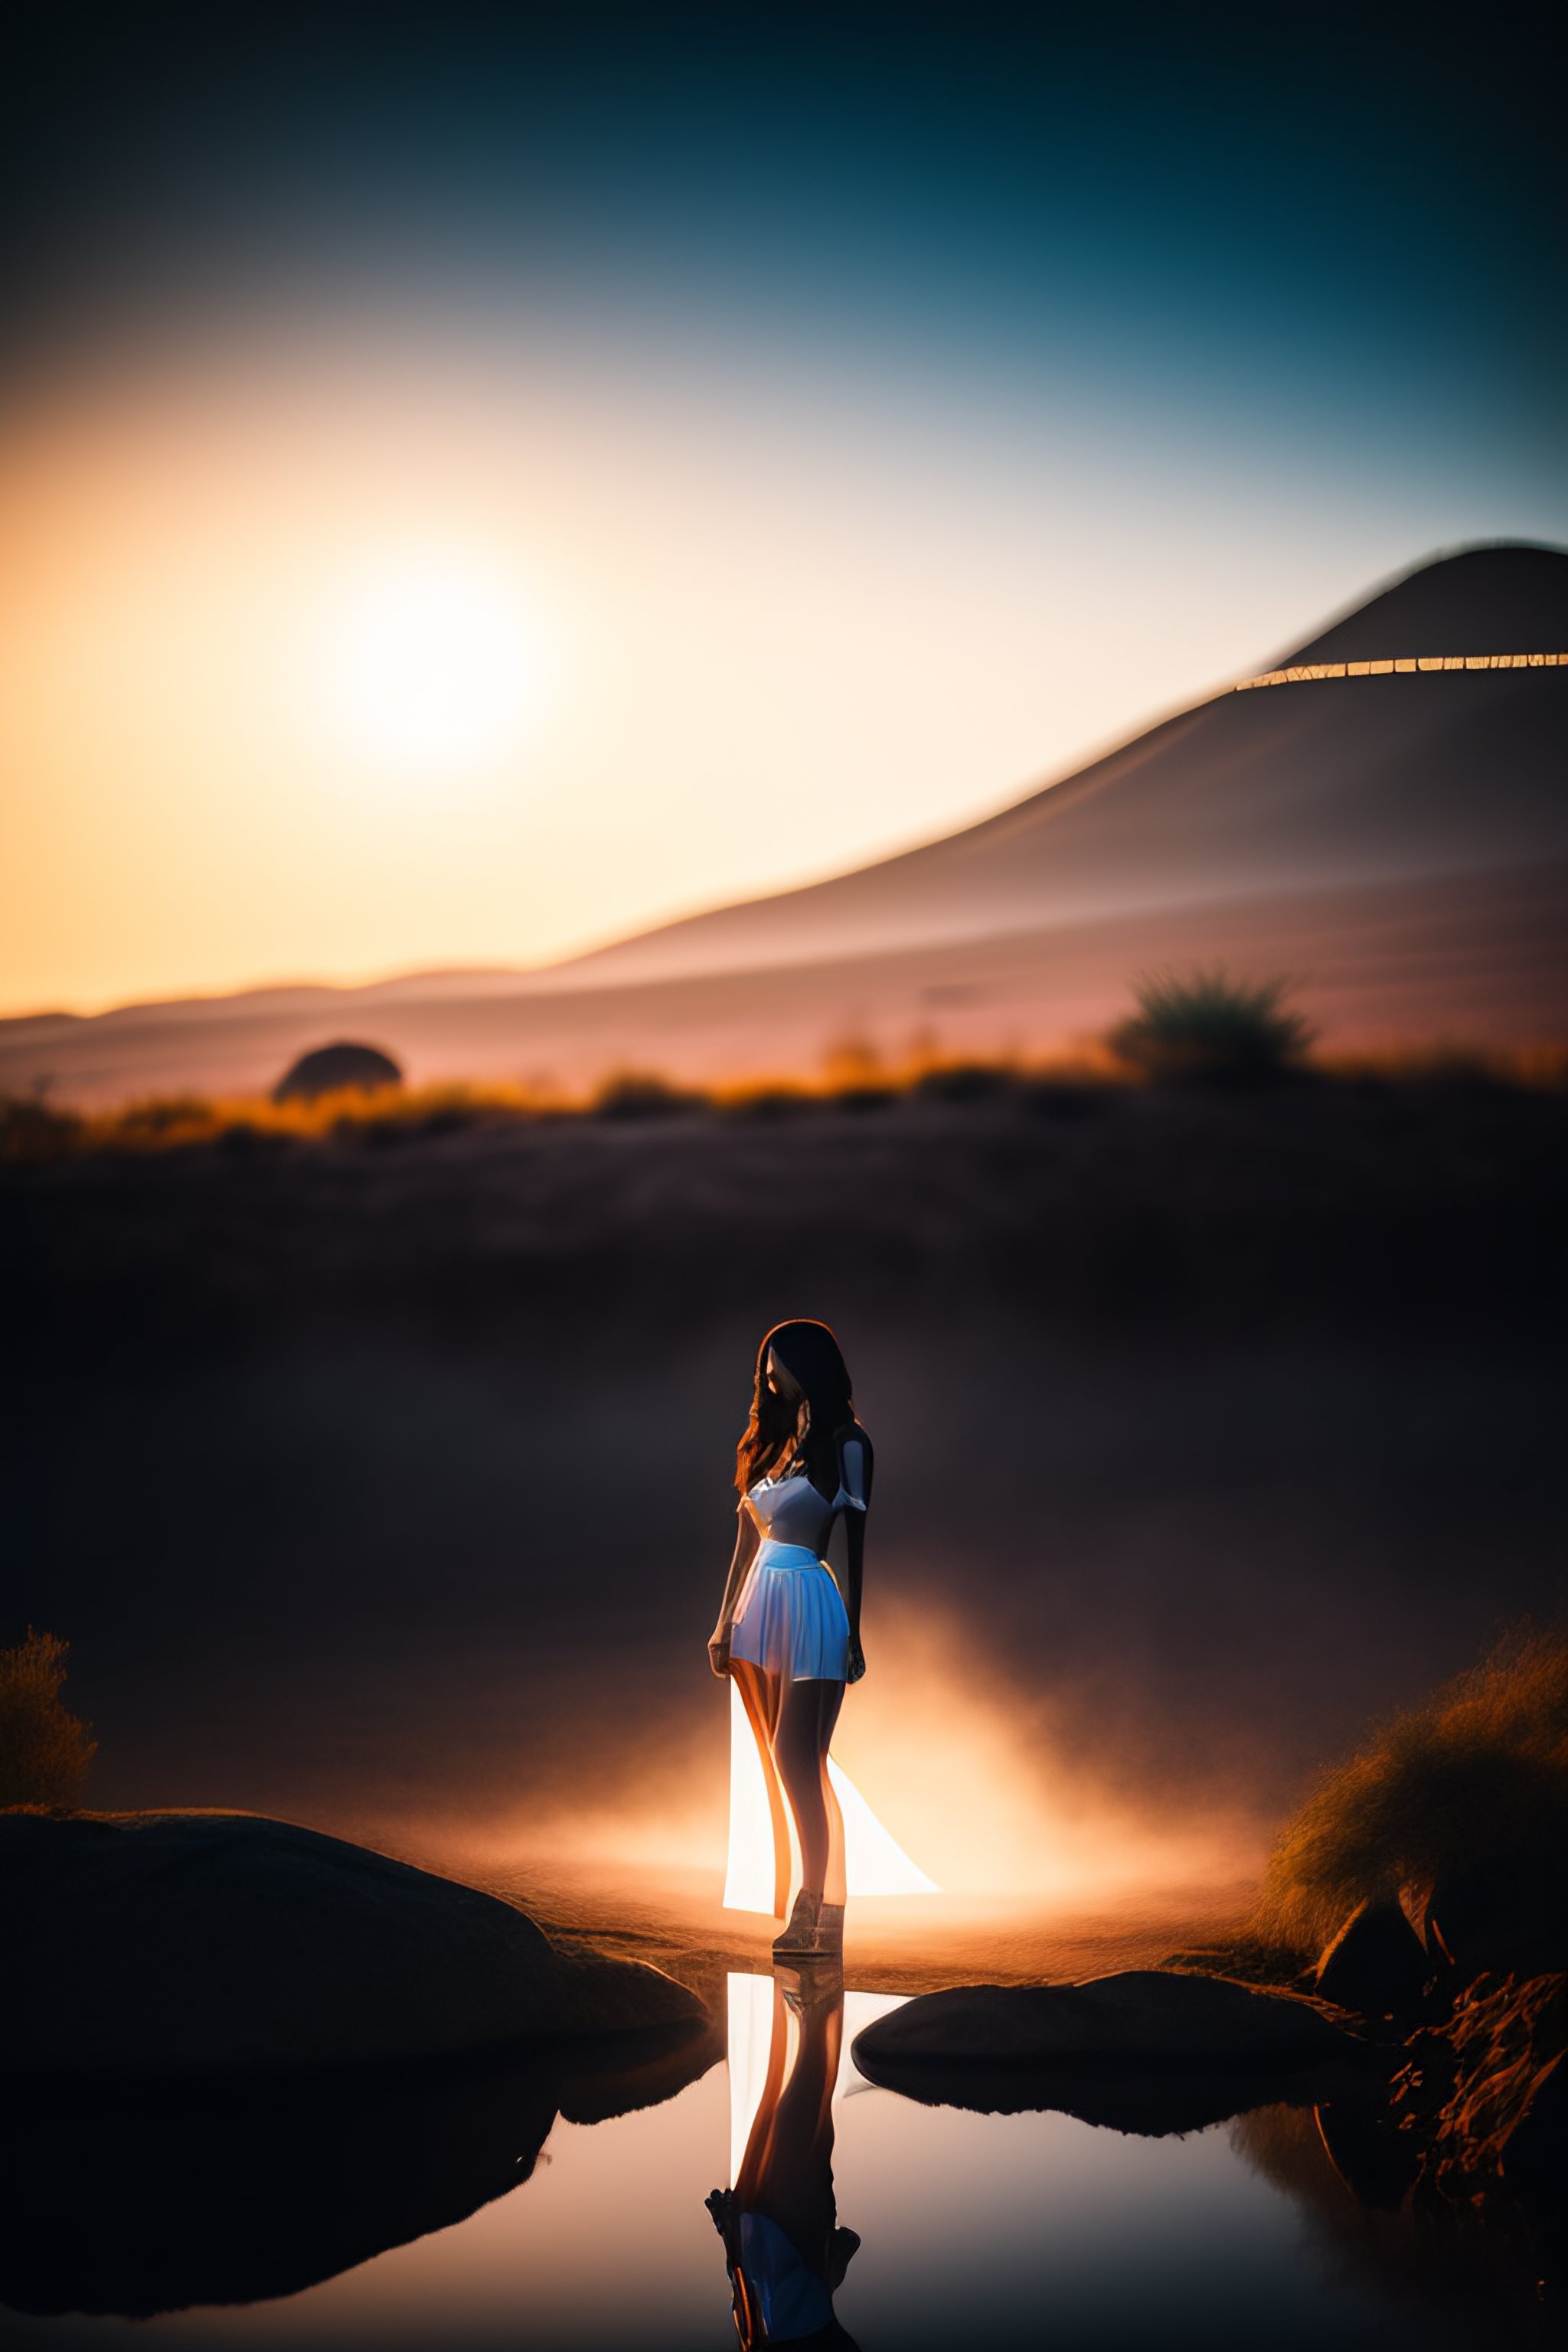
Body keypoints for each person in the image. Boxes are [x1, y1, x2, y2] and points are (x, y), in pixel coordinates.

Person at [709, 1319, 871, 1962]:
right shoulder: (774, 1442)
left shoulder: (848, 1444)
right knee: (789, 1762)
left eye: (779, 1366)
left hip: (810, 1600)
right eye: (766, 1369)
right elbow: (744, 1542)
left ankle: (818, 1909)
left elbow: (857, 1542)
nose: (770, 1378)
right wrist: (723, 1622)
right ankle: (823, 1908)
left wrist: (856, 1631)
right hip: (760, 1603)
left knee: (798, 1760)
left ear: (811, 1368)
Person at [707, 1966, 862, 2349]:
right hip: (786, 2227)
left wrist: (730, 2232)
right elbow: (844, 2245)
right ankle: (816, 1993)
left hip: (765, 2218)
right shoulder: (795, 2324)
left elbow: (745, 2283)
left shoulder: (762, 2331)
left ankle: (814, 1995)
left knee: (802, 2097)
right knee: (805, 2097)